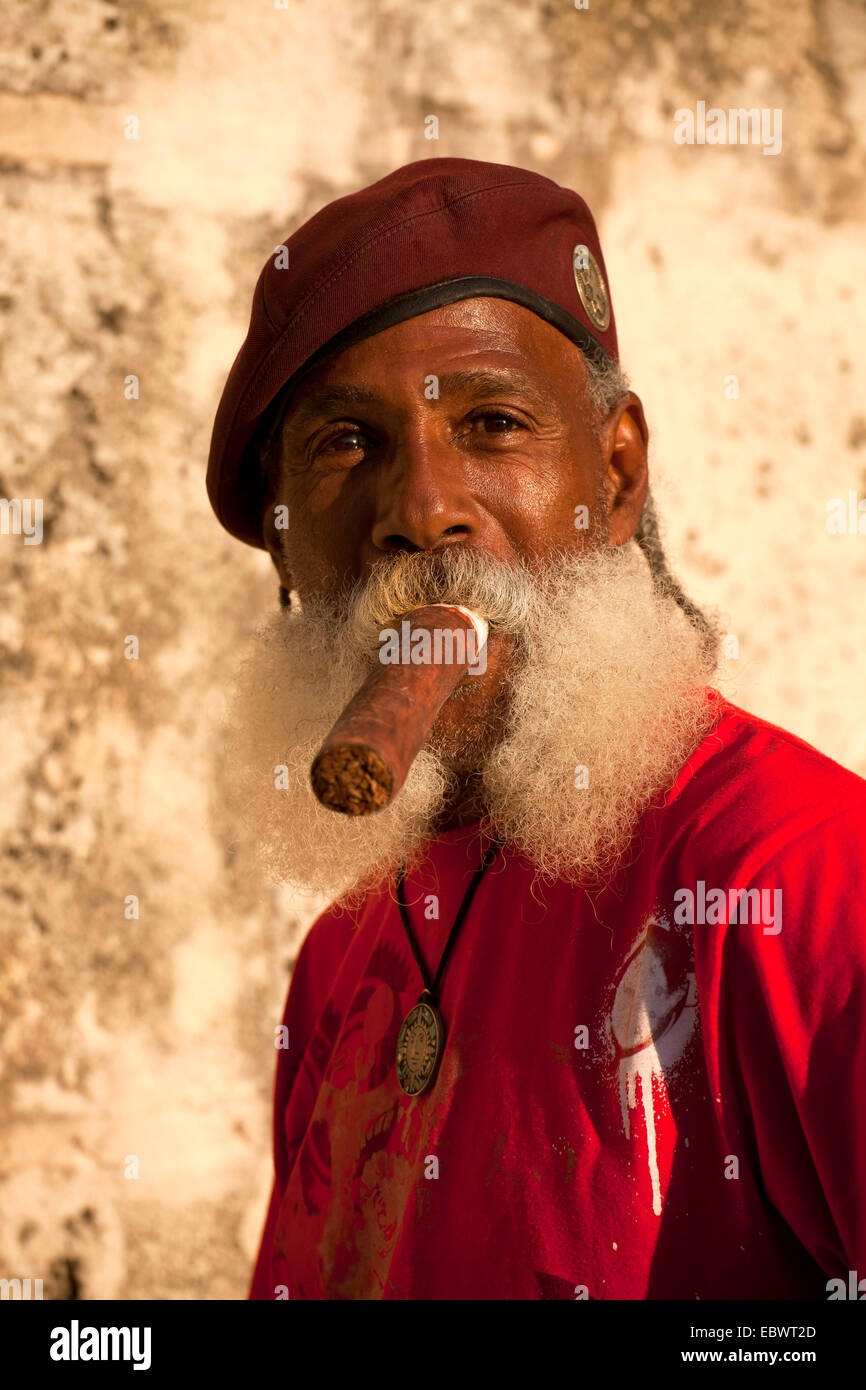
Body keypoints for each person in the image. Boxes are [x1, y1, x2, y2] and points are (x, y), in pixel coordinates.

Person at [207, 157, 866, 1300]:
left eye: (492, 421)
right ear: (281, 547)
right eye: (345, 442)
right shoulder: (337, 968)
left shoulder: (797, 880)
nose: (421, 510)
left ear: (614, 479)